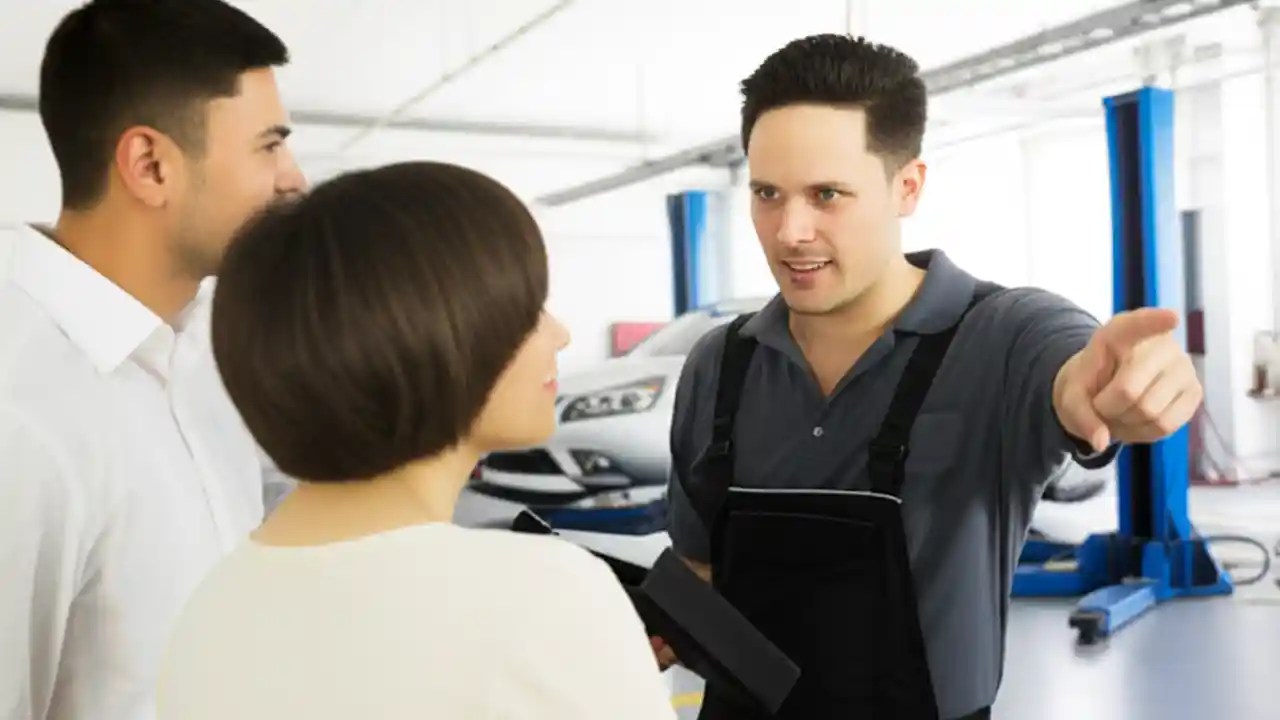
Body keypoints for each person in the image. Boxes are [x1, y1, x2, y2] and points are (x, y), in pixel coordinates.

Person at [658, 35, 1203, 720]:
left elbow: (1067, 370)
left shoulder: (999, 336)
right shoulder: (718, 363)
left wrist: (1103, 388)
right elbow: (700, 568)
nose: (790, 231)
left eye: (827, 194)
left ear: (906, 187)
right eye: (768, 193)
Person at [154, 161, 678, 720]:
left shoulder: (209, 612)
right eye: (527, 310)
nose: (559, 333)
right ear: (438, 336)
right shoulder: (549, 593)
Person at [0, 1, 305, 718]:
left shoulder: (195, 360)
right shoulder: (20, 409)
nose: (294, 178)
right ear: (150, 165)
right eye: (270, 146)